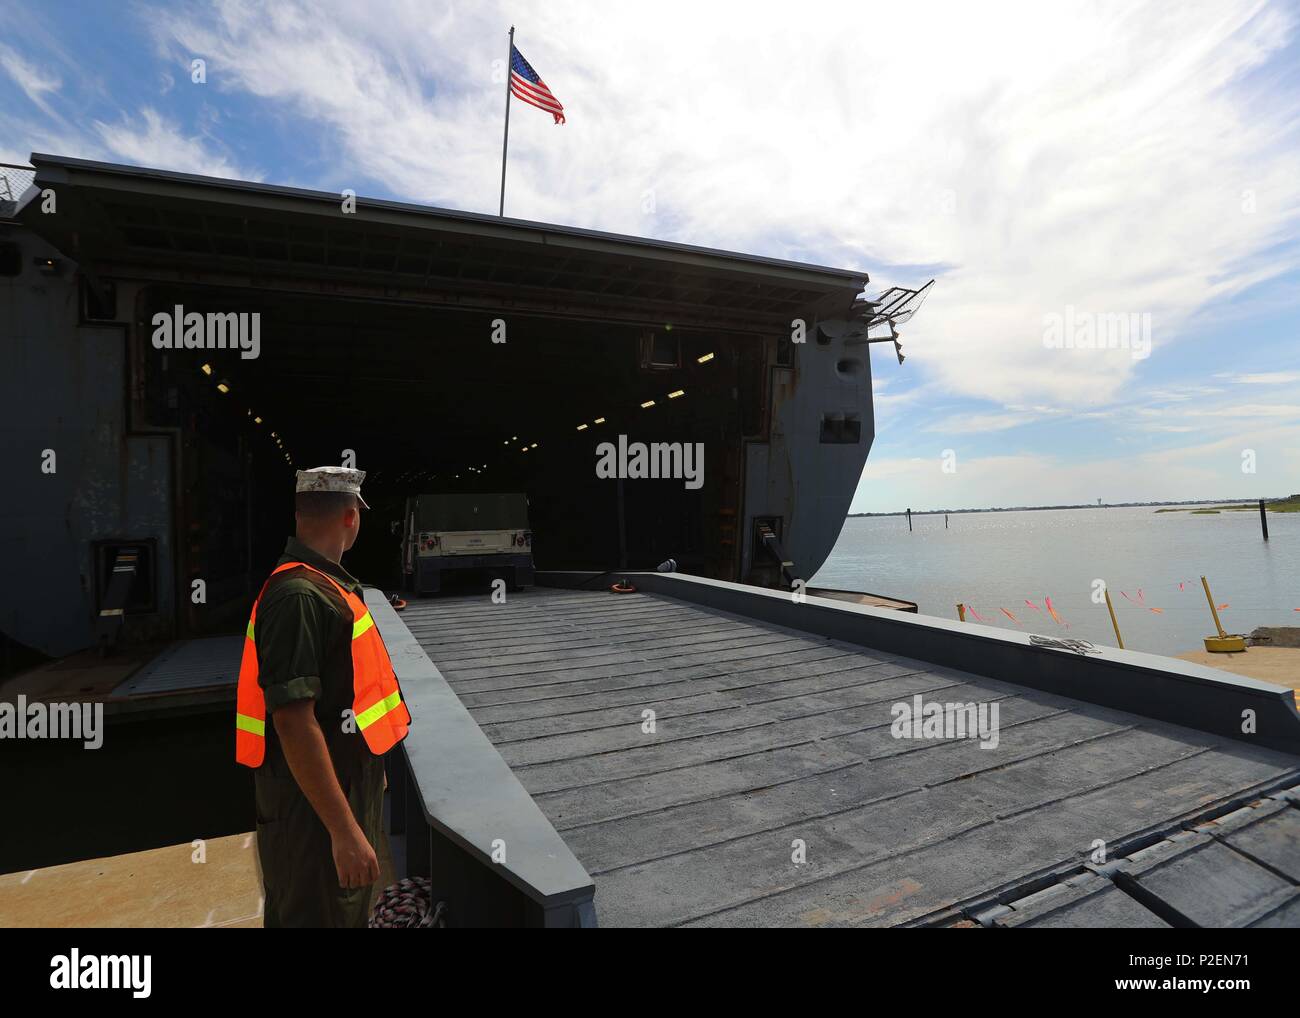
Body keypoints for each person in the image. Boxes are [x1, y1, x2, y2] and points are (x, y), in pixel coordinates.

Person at [234, 466, 410, 927]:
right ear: (352, 517)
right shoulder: (298, 597)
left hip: (339, 787)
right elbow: (293, 722)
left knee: (341, 911)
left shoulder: (326, 586)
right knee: (319, 913)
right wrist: (344, 831)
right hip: (311, 816)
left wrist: (371, 776)